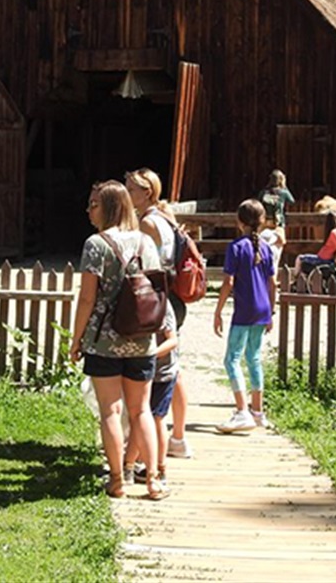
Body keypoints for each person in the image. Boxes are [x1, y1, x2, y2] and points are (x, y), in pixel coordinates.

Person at [69, 180, 168, 500]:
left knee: (110, 411)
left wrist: (76, 339)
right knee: (141, 411)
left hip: (104, 341)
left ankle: (117, 480)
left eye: (94, 205)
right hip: (141, 339)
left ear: (108, 207)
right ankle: (152, 479)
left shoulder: (95, 245)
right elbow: (154, 288)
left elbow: (87, 299)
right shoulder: (145, 243)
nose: (88, 210)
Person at [125, 168, 193, 460]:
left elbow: (144, 265)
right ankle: (178, 437)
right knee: (173, 368)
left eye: (131, 190)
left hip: (157, 299)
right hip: (173, 298)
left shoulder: (148, 223)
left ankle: (146, 450)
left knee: (156, 370)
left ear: (146, 193)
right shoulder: (166, 217)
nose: (127, 195)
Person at [213, 199, 275, 433]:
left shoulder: (236, 247)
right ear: (262, 222)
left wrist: (218, 311)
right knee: (254, 358)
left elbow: (228, 282)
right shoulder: (266, 248)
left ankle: (242, 411)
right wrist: (271, 311)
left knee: (232, 359)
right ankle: (258, 412)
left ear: (239, 222)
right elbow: (272, 283)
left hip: (244, 310)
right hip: (262, 310)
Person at [121, 307, 179, 488]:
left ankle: (158, 469)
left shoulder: (161, 303)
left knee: (155, 419)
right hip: (144, 371)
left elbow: (172, 340)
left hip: (162, 373)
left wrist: (149, 355)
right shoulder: (152, 300)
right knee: (140, 417)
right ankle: (130, 468)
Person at [292, 210, 336, 281]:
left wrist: (335, 263)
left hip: (323, 259)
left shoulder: (334, 232)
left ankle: (295, 280)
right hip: (328, 259)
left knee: (299, 258)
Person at [256, 170, 295, 239]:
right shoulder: (283, 192)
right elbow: (292, 201)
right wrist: (284, 186)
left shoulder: (263, 192)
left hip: (265, 221)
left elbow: (258, 202)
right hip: (278, 222)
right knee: (280, 241)